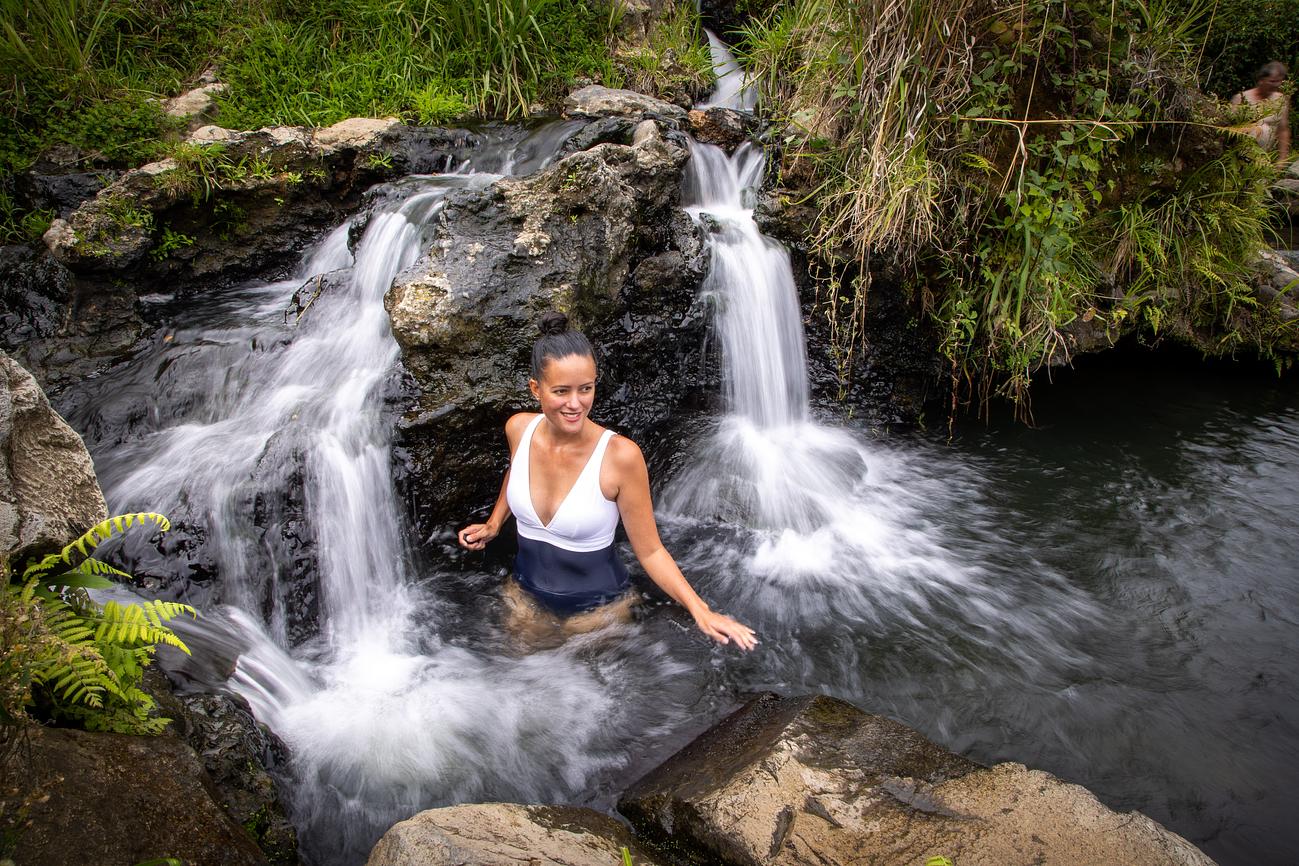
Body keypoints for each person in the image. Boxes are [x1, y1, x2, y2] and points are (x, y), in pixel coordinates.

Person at [458, 312, 757, 651]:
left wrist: (701, 611)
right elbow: (517, 469)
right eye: (561, 391)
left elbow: (652, 550)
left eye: (586, 389)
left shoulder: (619, 457)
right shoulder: (519, 429)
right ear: (535, 389)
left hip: (599, 613)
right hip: (524, 597)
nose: (576, 404)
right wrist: (495, 523)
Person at [1231, 61, 1291, 165]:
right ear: (1262, 80)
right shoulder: (1242, 98)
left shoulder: (1281, 100)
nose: (1276, 85)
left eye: (1279, 81)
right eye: (1272, 81)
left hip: (1263, 160)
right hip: (1240, 156)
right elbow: (1230, 128)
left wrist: (1282, 159)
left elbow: (1283, 130)